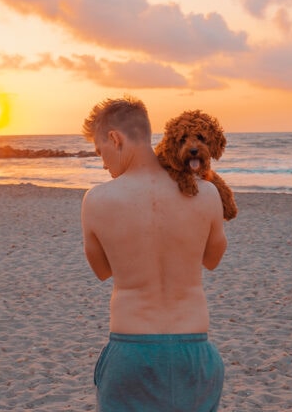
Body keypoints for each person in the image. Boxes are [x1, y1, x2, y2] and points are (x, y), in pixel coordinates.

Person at [80, 96, 227, 412]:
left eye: (99, 151)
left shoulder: (96, 200)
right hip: (195, 352)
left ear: (115, 139)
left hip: (131, 355)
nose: (103, 162)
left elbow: (103, 270)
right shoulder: (208, 193)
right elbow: (213, 259)